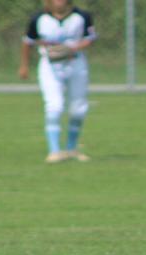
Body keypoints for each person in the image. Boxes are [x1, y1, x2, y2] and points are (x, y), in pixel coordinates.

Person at [18, 0, 96, 164]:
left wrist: (74, 48)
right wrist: (24, 66)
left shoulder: (81, 16)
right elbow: (28, 42)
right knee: (55, 105)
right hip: (50, 66)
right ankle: (54, 151)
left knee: (78, 109)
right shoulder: (38, 18)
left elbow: (90, 38)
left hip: (76, 64)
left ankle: (71, 149)